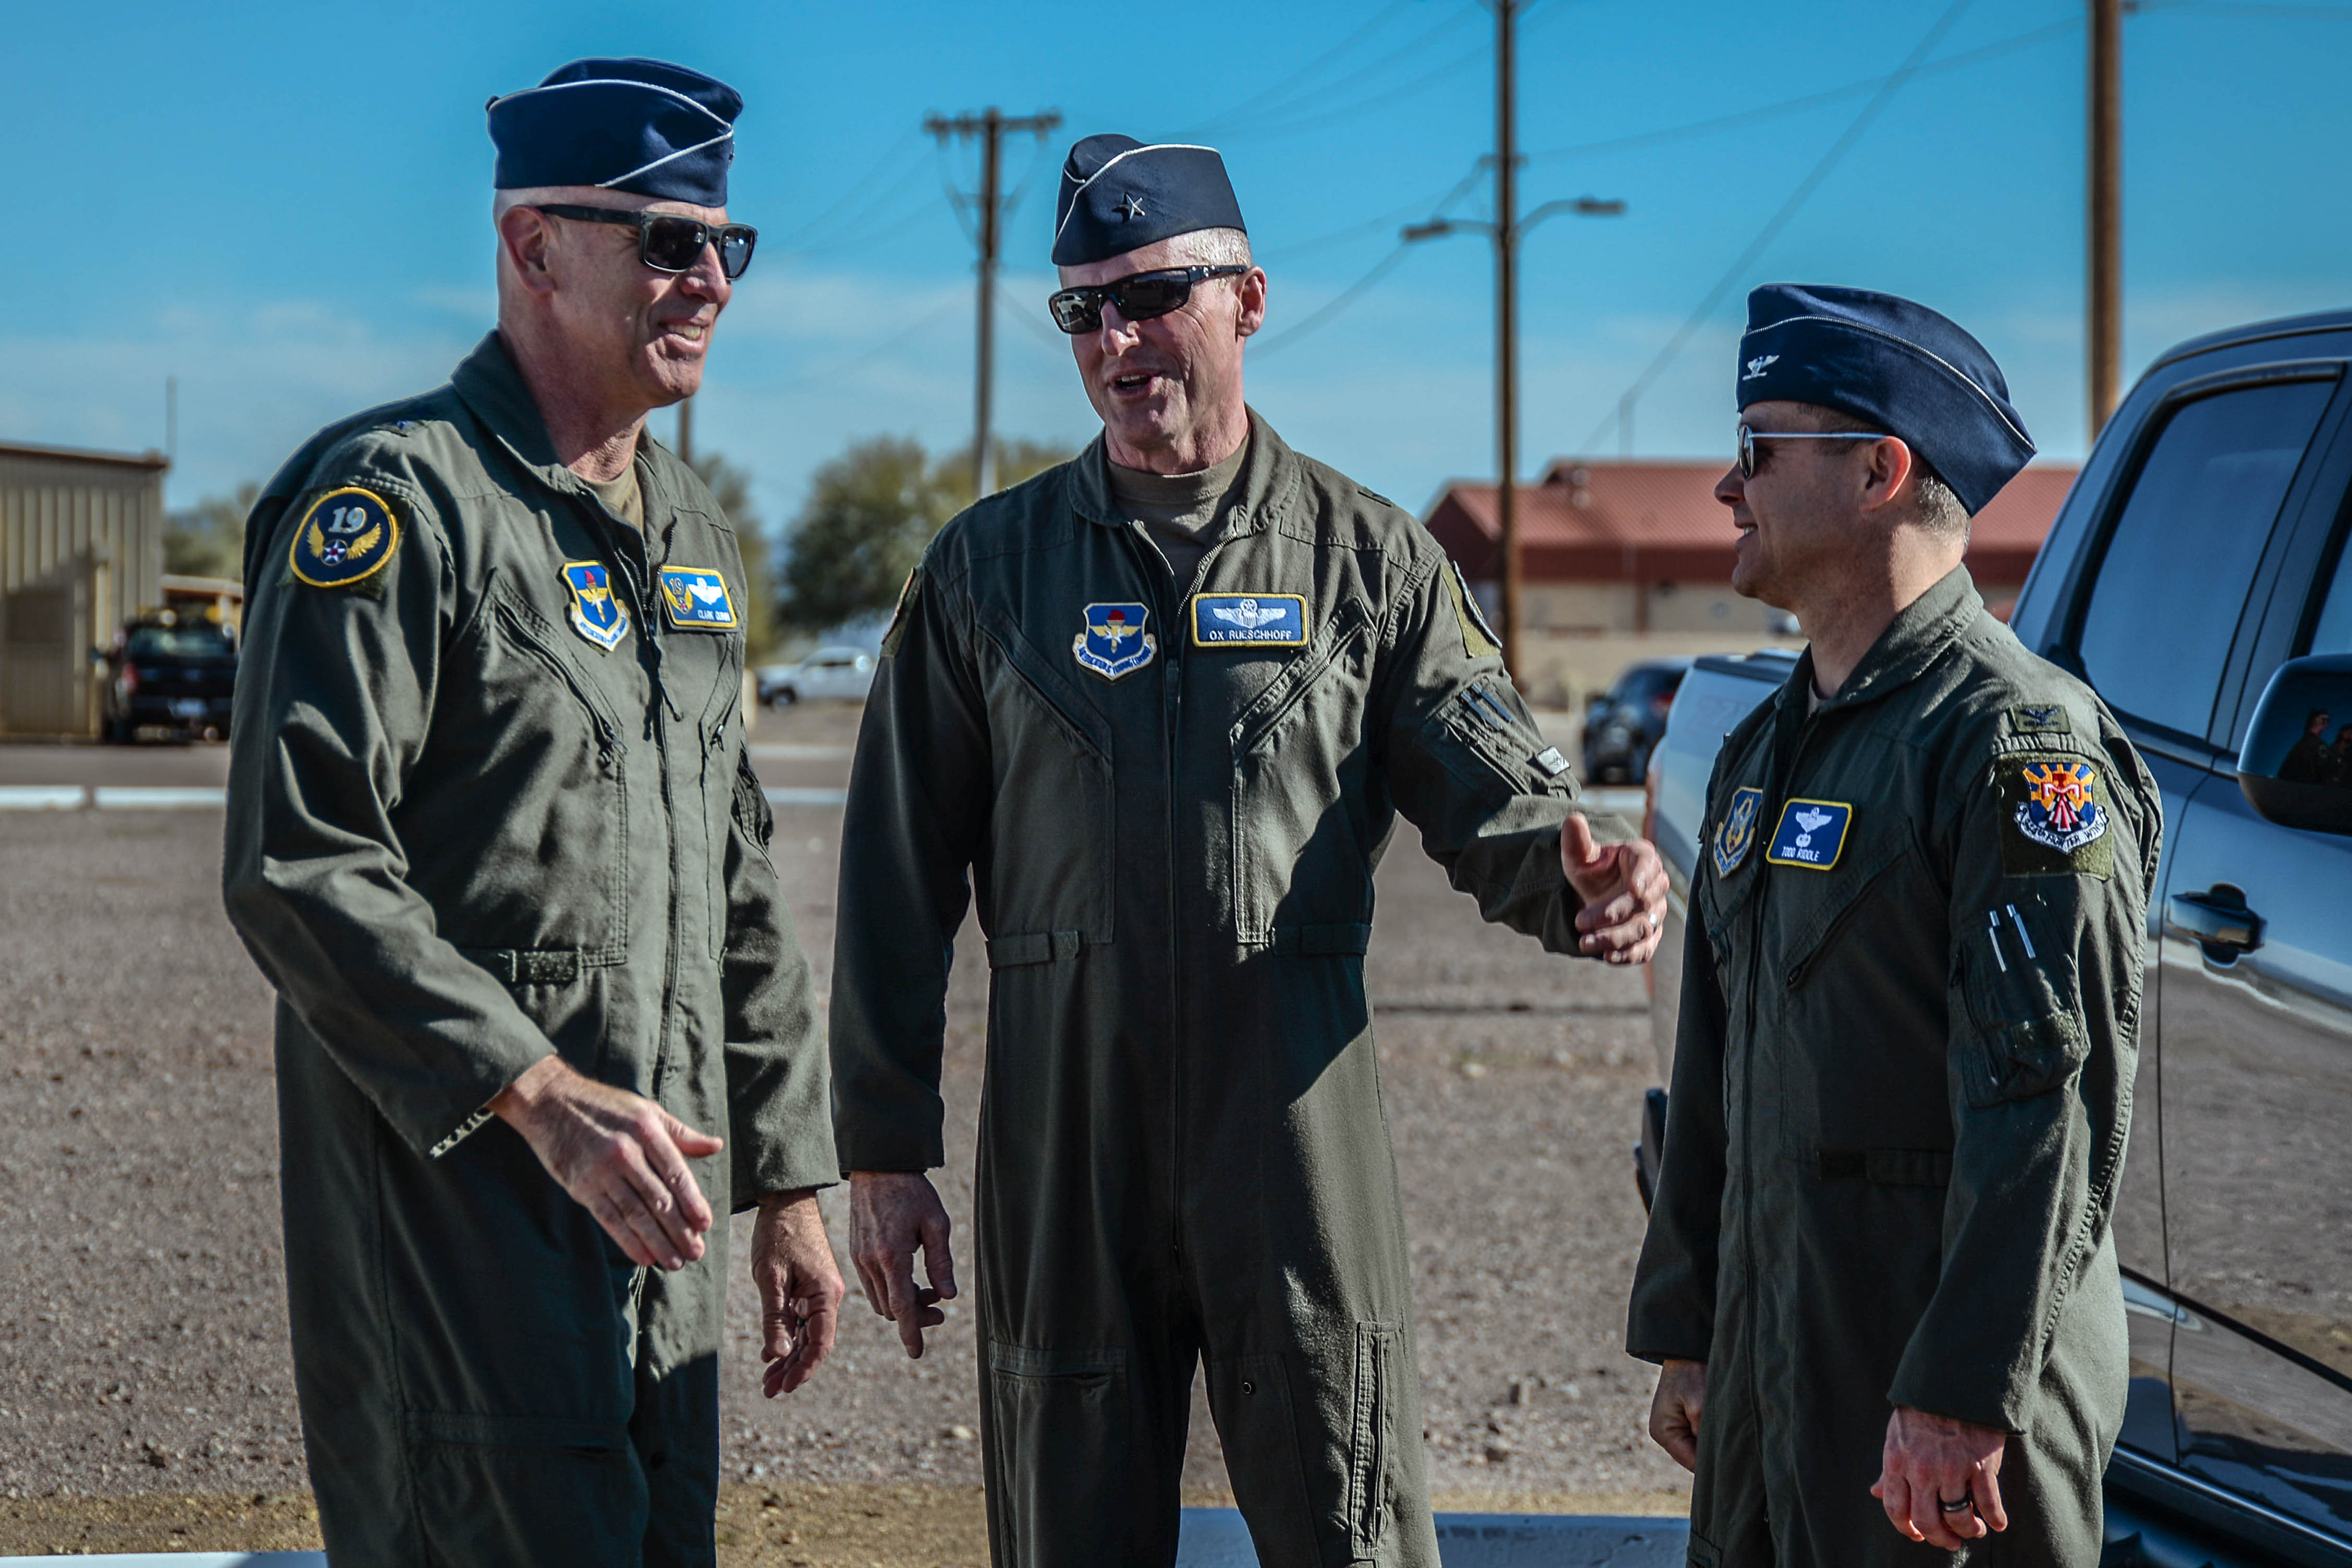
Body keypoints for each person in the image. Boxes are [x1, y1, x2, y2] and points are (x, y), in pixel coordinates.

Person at [826, 133, 1667, 1568]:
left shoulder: (1369, 561)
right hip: (1062, 1147)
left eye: (1153, 296)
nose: (1118, 339)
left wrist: (1575, 877)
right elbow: (893, 880)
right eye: (1083, 309)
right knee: (1066, 1524)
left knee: (1351, 1518)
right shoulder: (988, 573)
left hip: (1292, 1144)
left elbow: (1493, 788)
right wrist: (885, 1153)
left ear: (1250, 301)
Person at [220, 58, 843, 1567]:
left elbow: (735, 867)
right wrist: (538, 1095)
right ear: (533, 246)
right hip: (466, 1237)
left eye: (725, 245)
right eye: (667, 241)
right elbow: (298, 864)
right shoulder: (398, 502)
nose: (708, 280)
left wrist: (792, 1178)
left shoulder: (691, 529)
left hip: (661, 1229)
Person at [1626, 285, 2163, 1566]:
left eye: (1757, 448)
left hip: (1939, 1400)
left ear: (1878, 469)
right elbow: (1714, 1067)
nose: (1723, 486)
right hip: (1778, 1364)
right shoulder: (1764, 748)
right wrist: (1691, 1324)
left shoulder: (2010, 741)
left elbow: (2048, 1096)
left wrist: (1960, 1386)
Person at [2280, 708, 2331, 782]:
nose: (2325, 723)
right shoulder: (2315, 745)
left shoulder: (2300, 745)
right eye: (2323, 720)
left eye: (2327, 721)